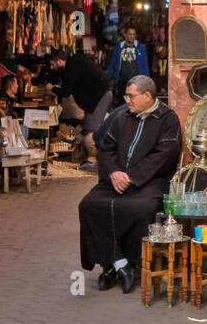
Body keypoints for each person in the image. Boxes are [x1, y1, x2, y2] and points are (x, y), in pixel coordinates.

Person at [77, 75, 181, 293]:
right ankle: (116, 263)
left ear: (147, 96)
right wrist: (114, 172)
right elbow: (106, 148)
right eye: (126, 96)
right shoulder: (122, 117)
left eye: (131, 96)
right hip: (115, 180)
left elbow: (164, 155)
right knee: (89, 205)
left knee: (141, 208)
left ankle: (131, 263)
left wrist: (131, 177)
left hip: (149, 182)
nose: (127, 101)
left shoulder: (167, 119)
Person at [49, 48, 113, 172]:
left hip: (100, 96)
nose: (51, 68)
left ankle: (93, 162)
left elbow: (66, 92)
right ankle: (94, 159)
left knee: (91, 132)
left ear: (60, 62)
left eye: (52, 65)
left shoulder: (72, 67)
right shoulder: (73, 65)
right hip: (96, 97)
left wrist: (52, 89)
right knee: (89, 128)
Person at [105, 25, 149, 101]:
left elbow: (144, 66)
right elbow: (113, 65)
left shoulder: (141, 48)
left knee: (136, 104)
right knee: (123, 105)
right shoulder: (119, 48)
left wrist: (147, 81)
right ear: (125, 35)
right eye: (129, 34)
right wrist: (106, 77)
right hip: (122, 81)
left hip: (137, 82)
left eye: (133, 34)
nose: (132, 36)